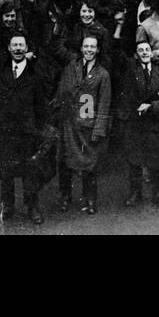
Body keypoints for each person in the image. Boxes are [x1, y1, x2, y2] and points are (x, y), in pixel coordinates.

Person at [0, 31, 49, 223]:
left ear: (27, 49)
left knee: (30, 172)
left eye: (21, 45)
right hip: (5, 132)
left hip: (28, 133)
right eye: (15, 45)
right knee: (6, 173)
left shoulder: (36, 75)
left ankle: (32, 207)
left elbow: (41, 107)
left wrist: (37, 130)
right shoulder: (1, 74)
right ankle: (8, 205)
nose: (18, 49)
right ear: (9, 48)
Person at [53, 32, 111, 214]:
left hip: (88, 126)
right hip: (69, 124)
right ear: (81, 48)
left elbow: (104, 104)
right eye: (86, 46)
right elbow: (62, 91)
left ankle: (90, 198)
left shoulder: (103, 74)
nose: (89, 50)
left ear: (98, 50)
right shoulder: (72, 67)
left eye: (92, 47)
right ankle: (65, 196)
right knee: (65, 163)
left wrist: (99, 129)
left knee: (89, 165)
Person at [119, 39, 159, 209]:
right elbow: (125, 98)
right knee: (134, 160)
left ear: (152, 53)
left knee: (157, 162)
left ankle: (158, 193)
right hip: (136, 124)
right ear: (136, 54)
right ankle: (136, 192)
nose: (144, 53)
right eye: (140, 50)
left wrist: (151, 106)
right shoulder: (130, 73)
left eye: (147, 50)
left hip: (156, 124)